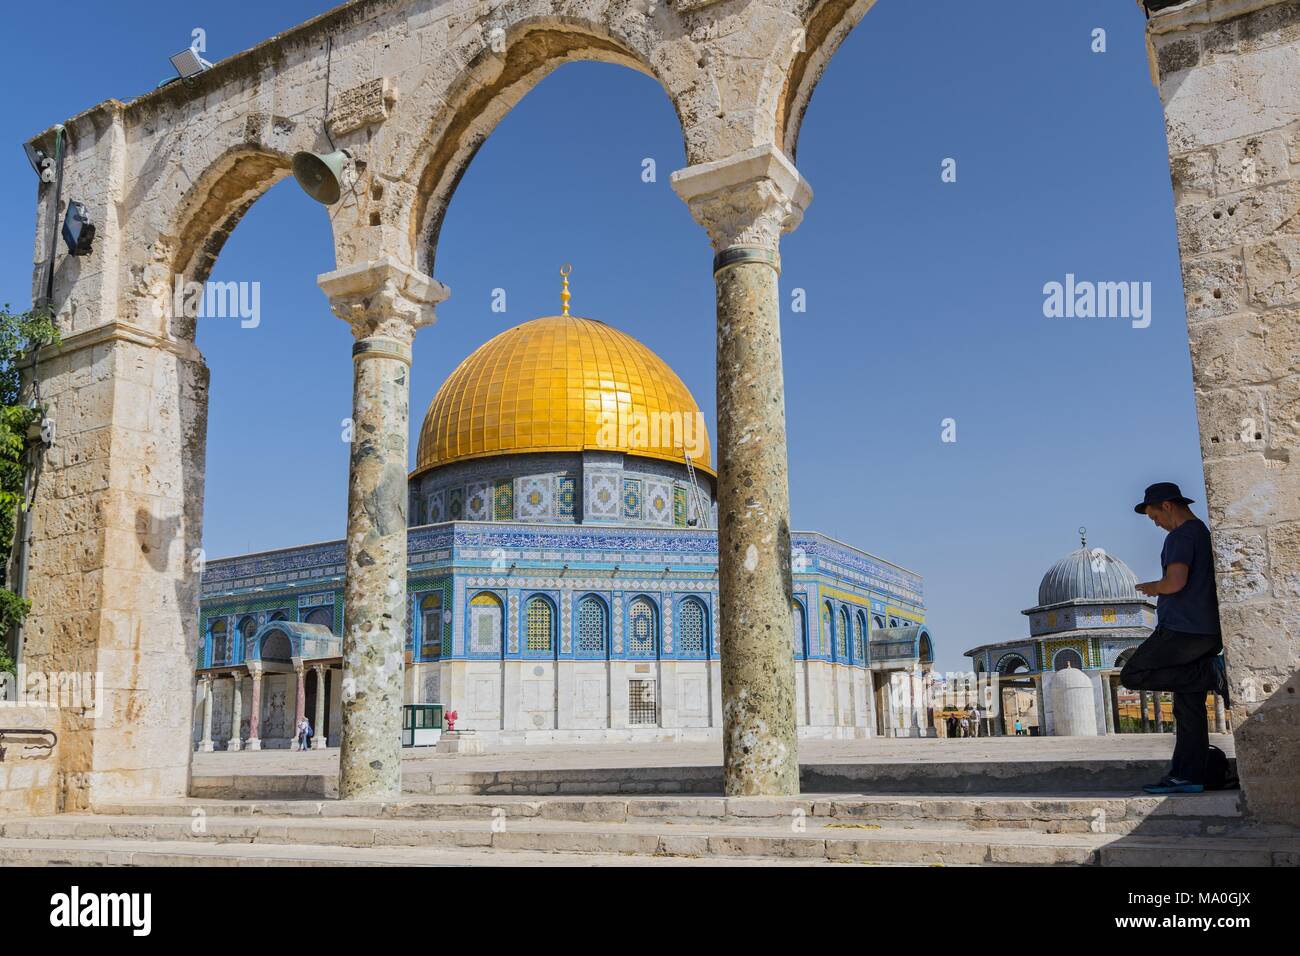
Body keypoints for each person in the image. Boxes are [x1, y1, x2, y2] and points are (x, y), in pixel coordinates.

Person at [1121, 482, 1230, 794]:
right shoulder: (1202, 533)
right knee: (1188, 705)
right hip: (1207, 632)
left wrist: (1154, 587)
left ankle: (1213, 672)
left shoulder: (1180, 535)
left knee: (1134, 673)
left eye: (1155, 516)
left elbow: (1175, 581)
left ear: (1167, 505)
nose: (1156, 523)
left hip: (1184, 629)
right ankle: (1189, 774)